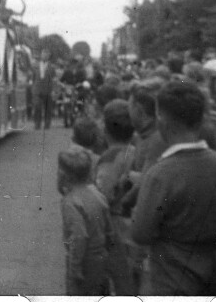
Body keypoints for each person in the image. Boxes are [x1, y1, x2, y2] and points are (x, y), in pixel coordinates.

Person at [130, 81, 216, 295]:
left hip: (169, 281)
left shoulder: (159, 175)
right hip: (213, 276)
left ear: (162, 120)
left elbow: (140, 233)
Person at [57, 148, 114, 295]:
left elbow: (79, 236)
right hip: (101, 258)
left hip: (84, 262)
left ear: (64, 175)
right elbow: (109, 229)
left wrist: (75, 266)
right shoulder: (97, 194)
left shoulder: (70, 202)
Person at [95, 100, 137, 295]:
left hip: (115, 225)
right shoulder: (134, 151)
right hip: (132, 223)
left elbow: (103, 196)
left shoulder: (110, 158)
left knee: (120, 281)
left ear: (105, 128)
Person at [31, 48, 59, 130]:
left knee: (48, 108)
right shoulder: (35, 65)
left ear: (49, 56)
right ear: (41, 55)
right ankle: (37, 124)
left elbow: (54, 80)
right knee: (37, 106)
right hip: (37, 89)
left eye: (47, 54)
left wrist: (54, 90)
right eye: (43, 54)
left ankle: (47, 124)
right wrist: (33, 87)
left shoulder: (52, 67)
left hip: (48, 90)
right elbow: (33, 78)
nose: (45, 56)